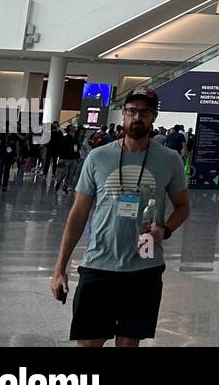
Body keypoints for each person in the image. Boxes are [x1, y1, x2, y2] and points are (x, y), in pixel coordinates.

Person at [50, 89, 190, 348]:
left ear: (153, 117)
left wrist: (165, 230)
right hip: (99, 264)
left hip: (144, 268)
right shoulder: (98, 157)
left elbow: (182, 206)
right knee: (89, 342)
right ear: (123, 115)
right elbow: (78, 213)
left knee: (128, 343)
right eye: (131, 111)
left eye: (144, 112)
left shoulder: (169, 160)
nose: (137, 117)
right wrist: (60, 268)